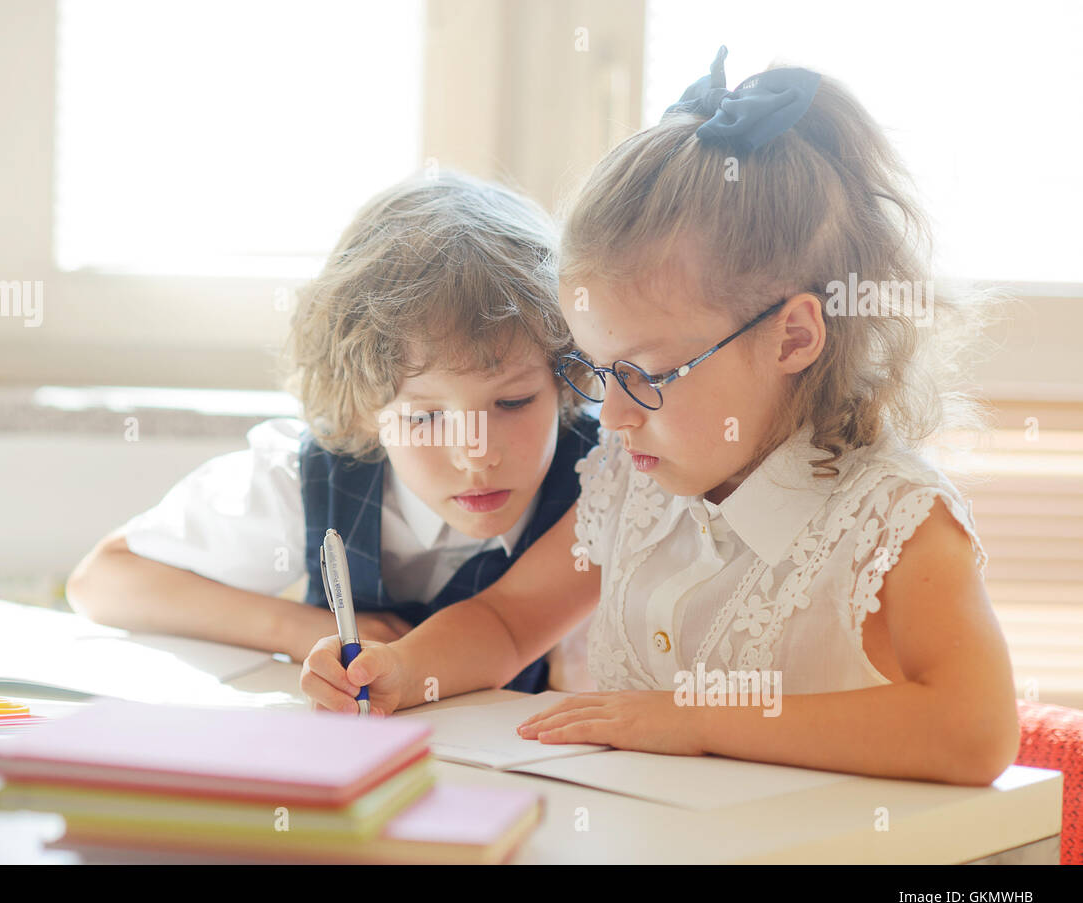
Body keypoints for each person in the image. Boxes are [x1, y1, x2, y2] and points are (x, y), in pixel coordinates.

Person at [300, 50, 1020, 785]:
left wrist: (695, 720)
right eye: (597, 371)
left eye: (645, 375)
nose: (610, 414)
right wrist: (400, 667)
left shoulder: (894, 520)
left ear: (793, 337)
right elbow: (506, 622)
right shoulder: (632, 484)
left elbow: (975, 730)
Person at [68, 171, 597, 691]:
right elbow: (102, 583)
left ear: (566, 376)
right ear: (366, 405)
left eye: (513, 401)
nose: (475, 457)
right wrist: (297, 629)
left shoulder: (606, 478)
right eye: (425, 418)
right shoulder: (304, 480)